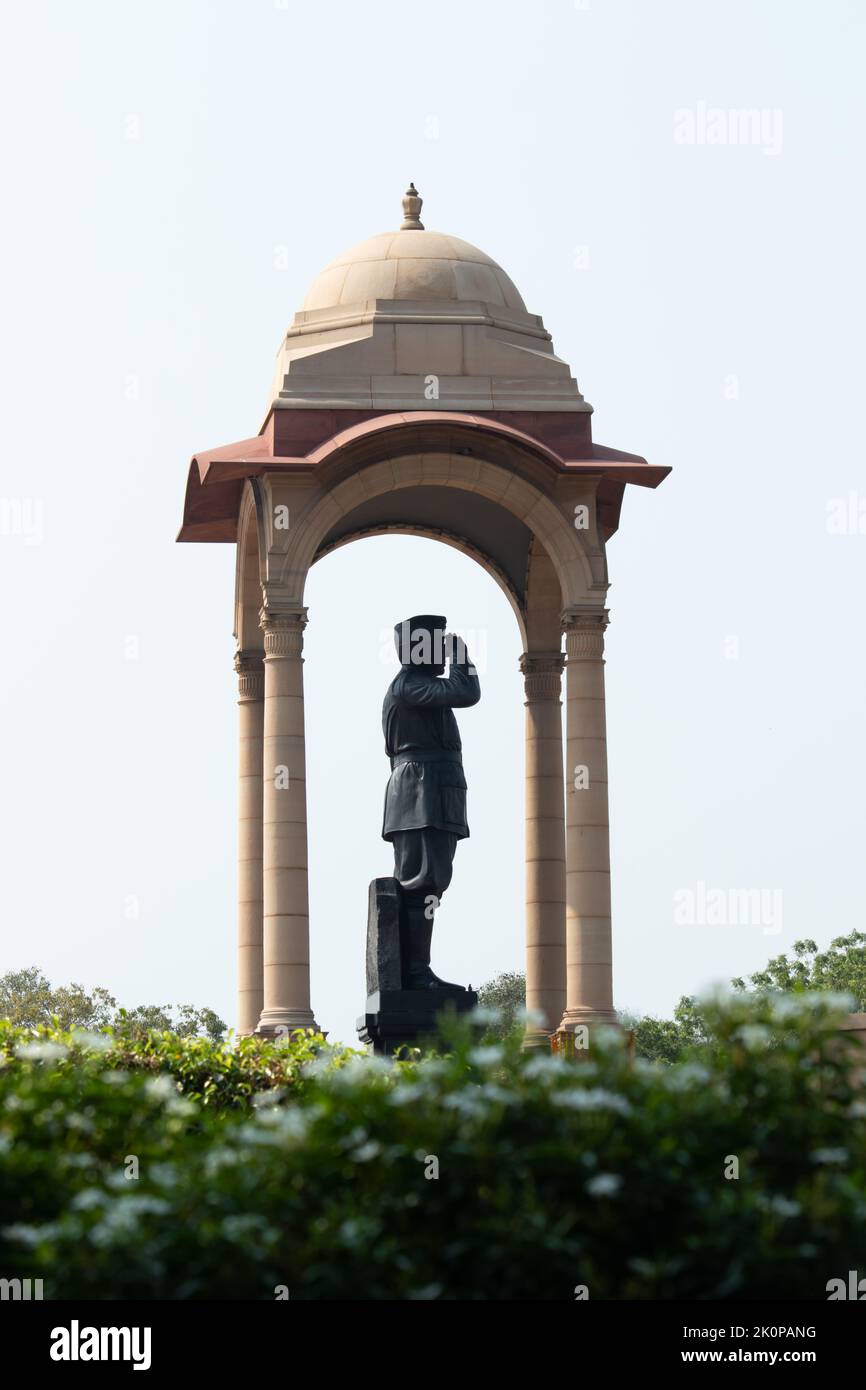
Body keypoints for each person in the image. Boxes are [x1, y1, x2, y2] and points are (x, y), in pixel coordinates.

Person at [381, 615, 481, 990]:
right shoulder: (409, 686)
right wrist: (461, 657)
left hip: (434, 792)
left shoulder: (419, 687)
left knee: (432, 883)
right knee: (421, 882)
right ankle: (414, 973)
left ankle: (417, 971)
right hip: (419, 795)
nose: (442, 651)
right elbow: (467, 693)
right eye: (437, 644)